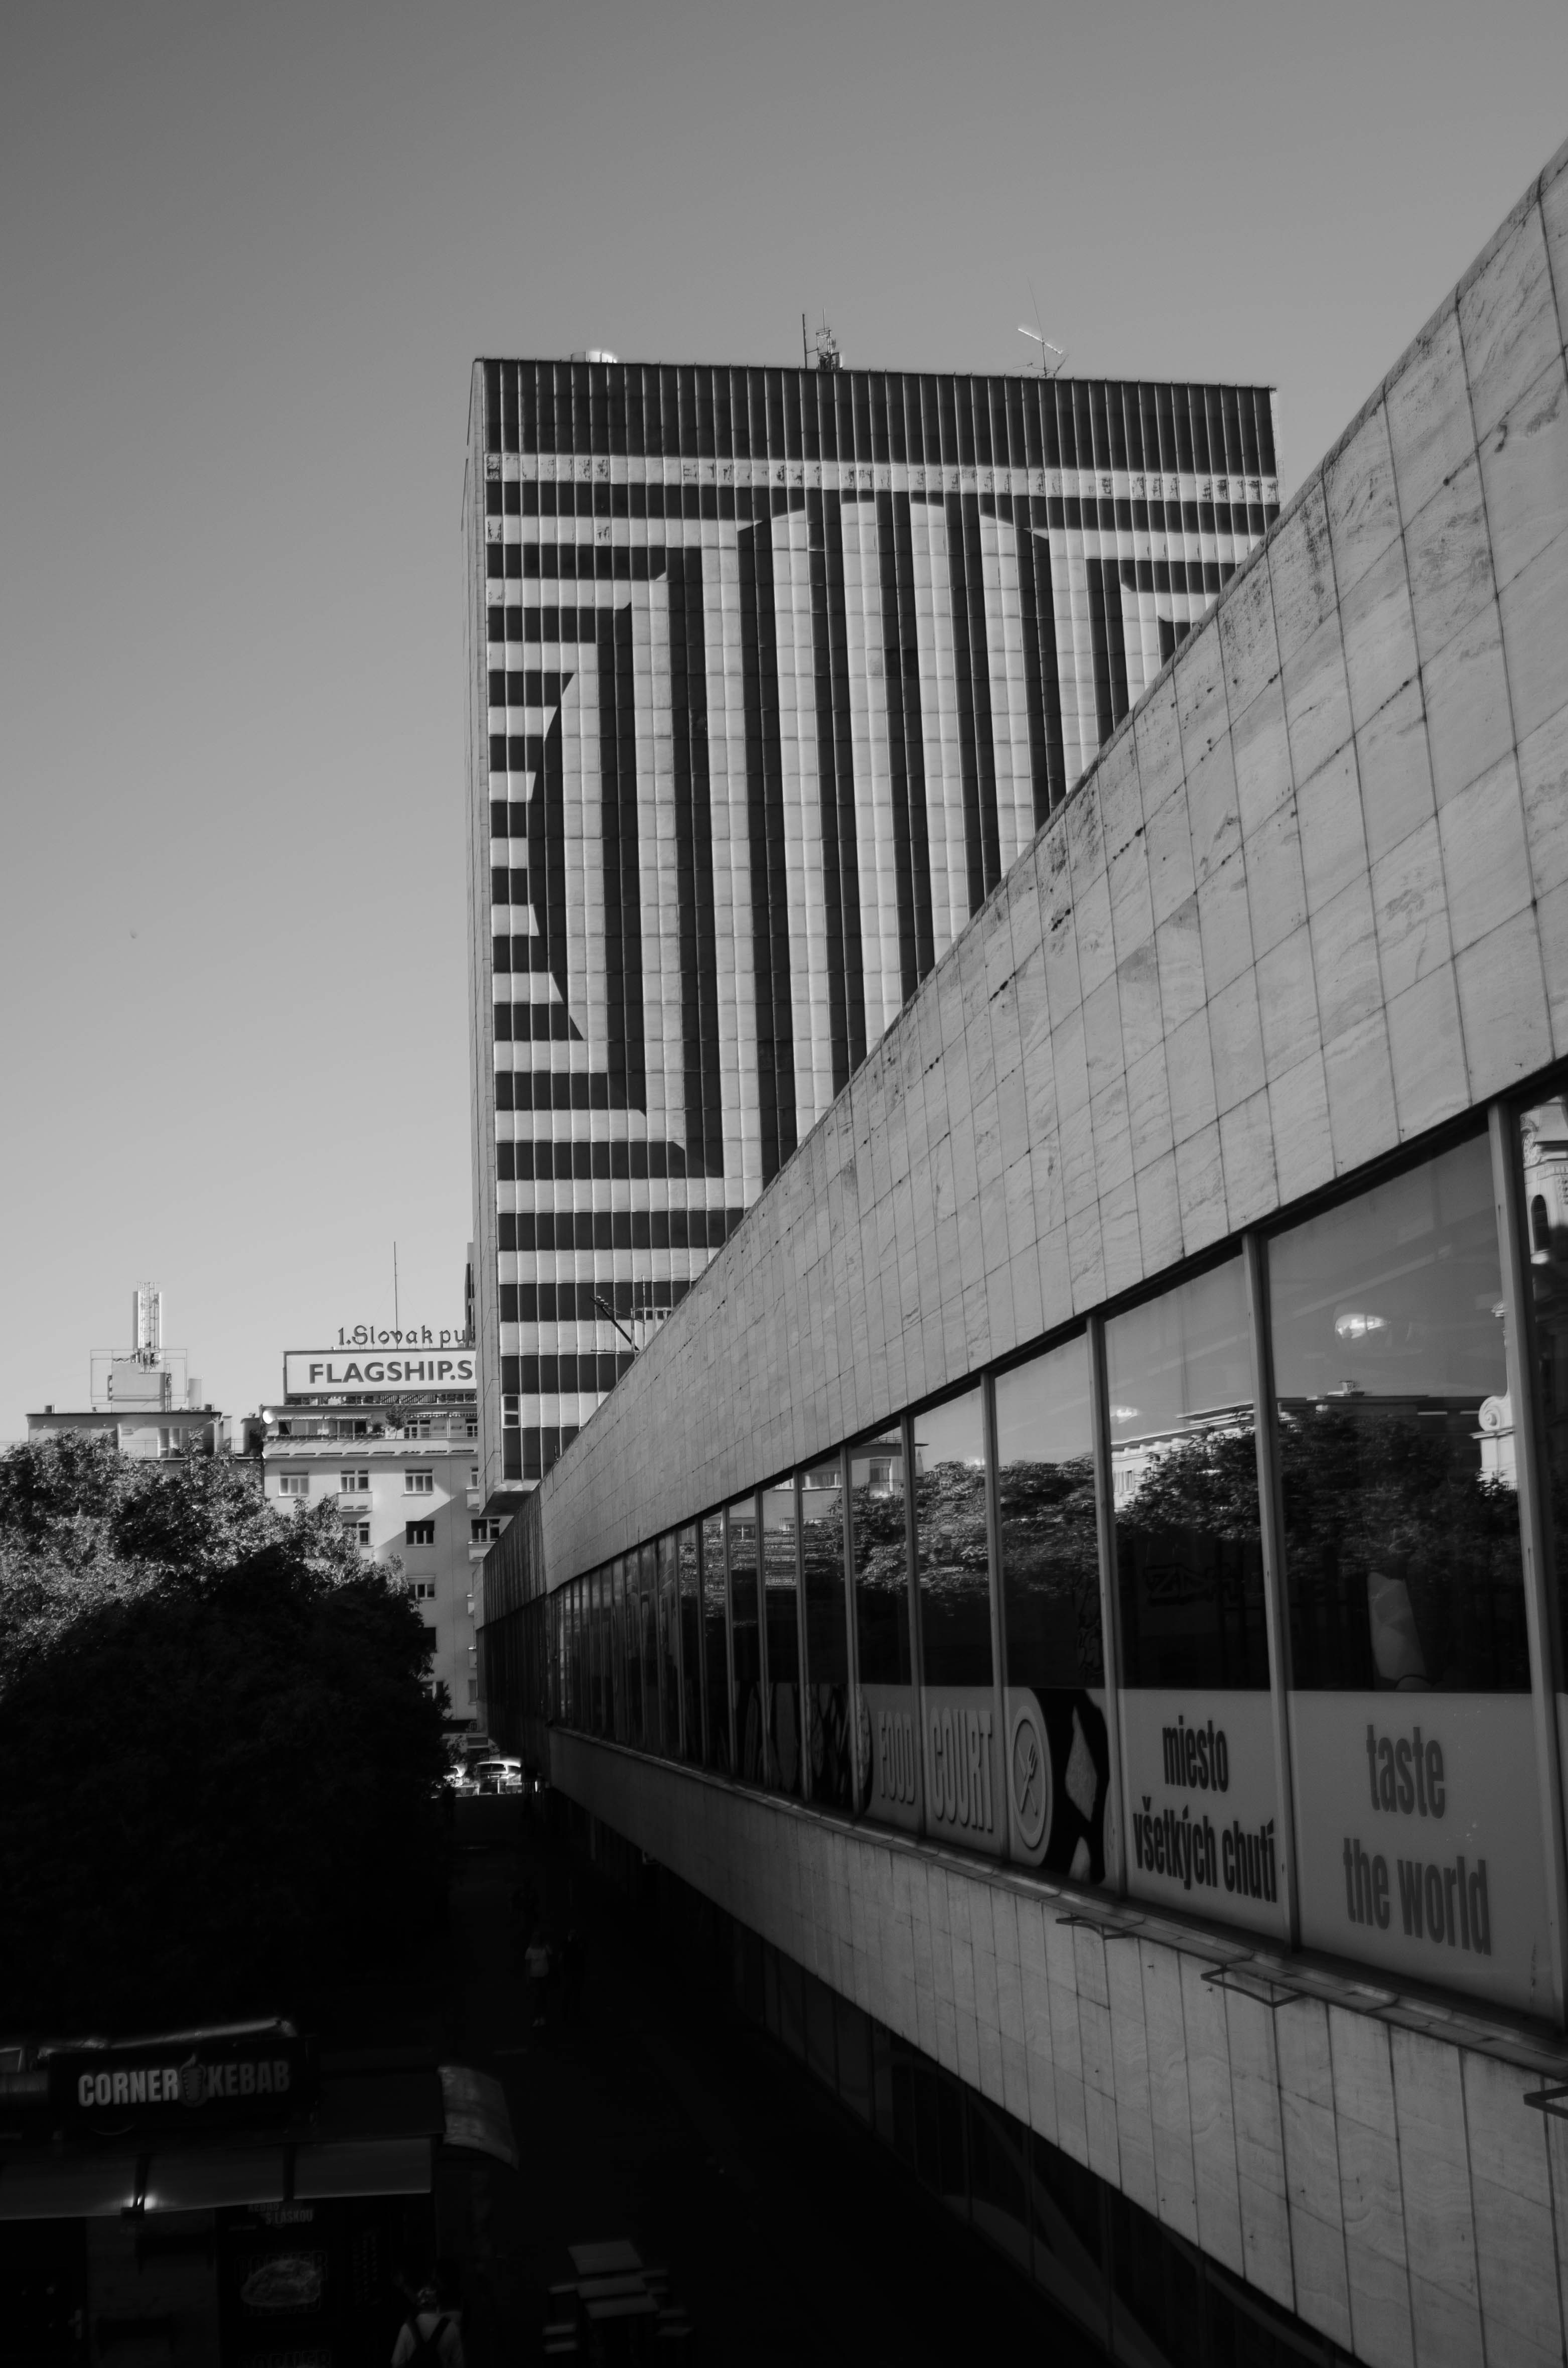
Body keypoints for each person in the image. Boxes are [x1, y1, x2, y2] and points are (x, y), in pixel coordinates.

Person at [391, 2283, 464, 2365]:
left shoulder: (407, 2328)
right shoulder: (452, 2328)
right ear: (437, 2304)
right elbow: (459, 2364)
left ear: (418, 2304)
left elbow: (396, 2362)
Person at [524, 1930, 552, 2028]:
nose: (537, 1940)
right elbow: (527, 1965)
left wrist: (546, 1946)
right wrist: (528, 1978)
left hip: (544, 1976)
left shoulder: (545, 1948)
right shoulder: (530, 1950)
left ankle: (543, 2017)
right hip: (534, 1977)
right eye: (535, 1938)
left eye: (538, 1938)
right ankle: (537, 2018)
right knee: (536, 1997)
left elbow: (551, 1957)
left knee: (543, 1997)